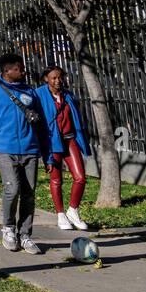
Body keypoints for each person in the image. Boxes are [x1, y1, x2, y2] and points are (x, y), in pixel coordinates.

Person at [0, 52, 45, 254]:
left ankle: (25, 235)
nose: (23, 71)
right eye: (19, 68)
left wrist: (46, 153)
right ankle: (8, 228)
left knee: (29, 194)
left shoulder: (31, 92)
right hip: (4, 149)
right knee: (12, 189)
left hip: (30, 149)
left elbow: (41, 126)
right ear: (7, 71)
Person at [36, 66, 90, 230]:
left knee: (80, 177)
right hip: (52, 143)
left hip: (70, 139)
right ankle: (60, 214)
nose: (58, 81)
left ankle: (73, 210)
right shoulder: (39, 95)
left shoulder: (68, 95)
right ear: (46, 79)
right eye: (53, 78)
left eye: (60, 77)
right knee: (56, 180)